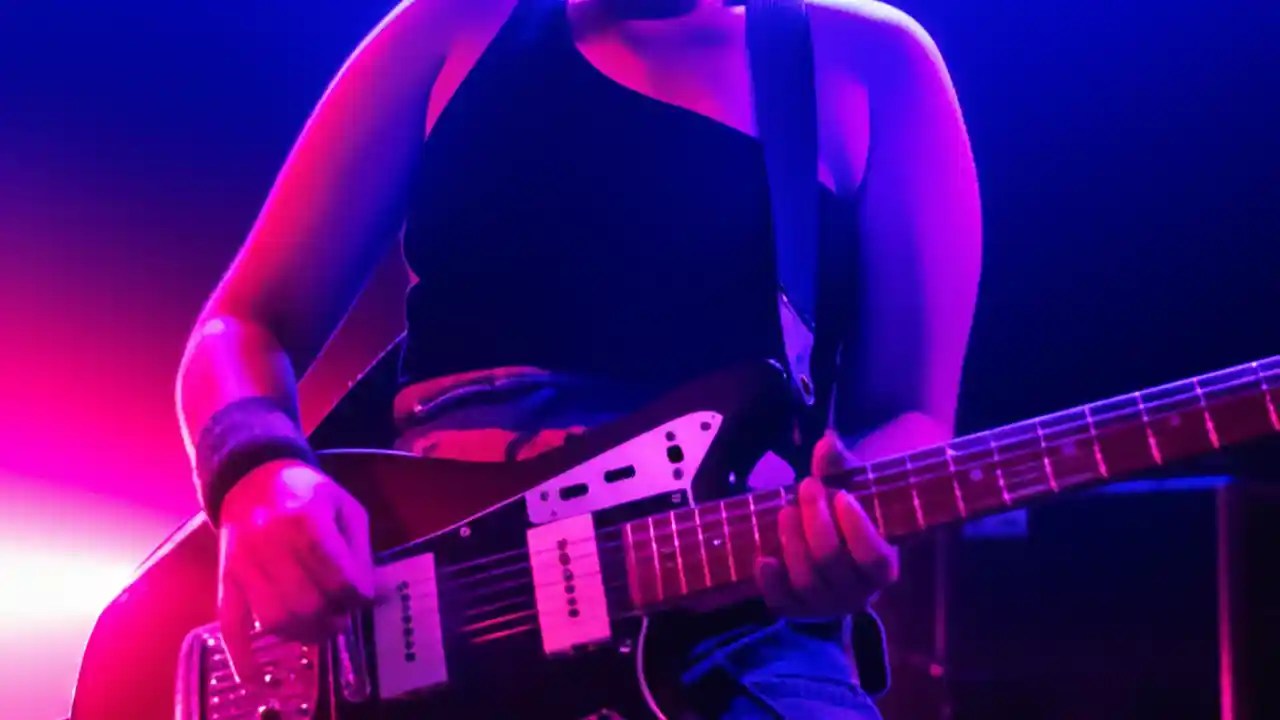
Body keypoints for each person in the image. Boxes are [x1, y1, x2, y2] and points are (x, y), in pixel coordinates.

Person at [175, 0, 981, 716]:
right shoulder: (449, 28)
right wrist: (258, 475)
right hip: (416, 624)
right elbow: (245, 326)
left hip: (732, 629)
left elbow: (907, 413)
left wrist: (841, 533)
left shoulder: (872, 61)